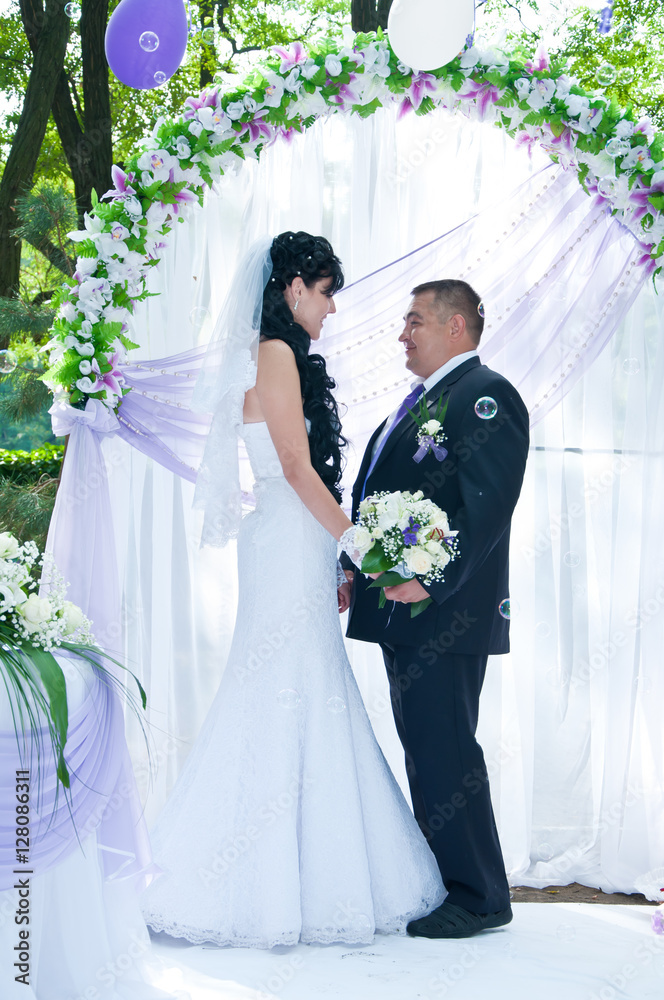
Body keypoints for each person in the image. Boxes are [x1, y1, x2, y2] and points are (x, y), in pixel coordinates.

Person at [140, 233, 444, 949]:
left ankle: (300, 879)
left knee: (307, 686)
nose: (333, 306)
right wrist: (365, 552)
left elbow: (308, 476)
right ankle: (265, 887)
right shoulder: (274, 354)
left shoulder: (284, 354)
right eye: (326, 290)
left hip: (295, 539)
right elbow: (293, 466)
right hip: (284, 537)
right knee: (282, 686)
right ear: (292, 289)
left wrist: (335, 558)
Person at [342, 279, 529, 939]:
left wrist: (433, 583)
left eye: (415, 320)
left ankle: (479, 897)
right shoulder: (419, 401)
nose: (403, 332)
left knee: (445, 748)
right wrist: (353, 570)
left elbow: (486, 508)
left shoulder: (485, 395)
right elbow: (380, 494)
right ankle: (450, 885)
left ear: (455, 327)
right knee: (426, 747)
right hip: (405, 609)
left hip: (445, 616)